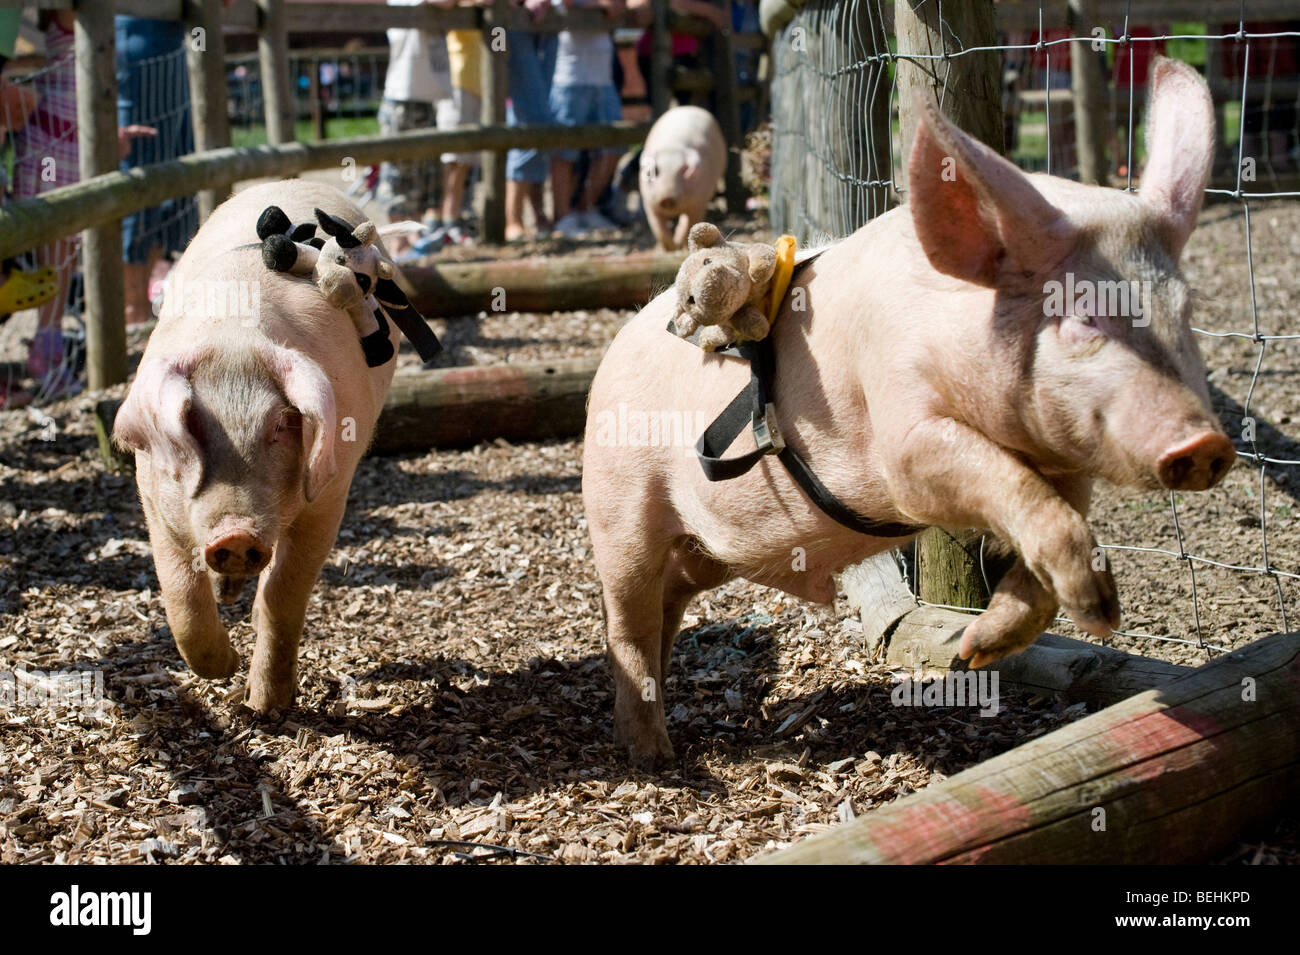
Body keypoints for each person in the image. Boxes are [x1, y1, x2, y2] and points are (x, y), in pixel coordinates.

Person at [116, 14, 198, 326]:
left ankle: (139, 305)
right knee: (141, 177)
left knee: (172, 180)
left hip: (166, 41)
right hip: (143, 39)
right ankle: (131, 310)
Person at [376, 0, 451, 256]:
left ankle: (413, 237)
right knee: (399, 174)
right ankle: (399, 244)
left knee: (422, 173)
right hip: (401, 96)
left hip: (426, 97)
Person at [550, 0, 626, 236]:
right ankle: (563, 216)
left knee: (614, 145)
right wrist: (602, 4)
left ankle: (586, 208)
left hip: (603, 77)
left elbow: (619, 7)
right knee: (565, 150)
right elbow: (562, 4)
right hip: (568, 76)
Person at [505, 0, 558, 241]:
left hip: (544, 24)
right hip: (504, 26)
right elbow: (495, 27)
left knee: (542, 118)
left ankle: (536, 214)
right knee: (530, 120)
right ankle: (512, 218)